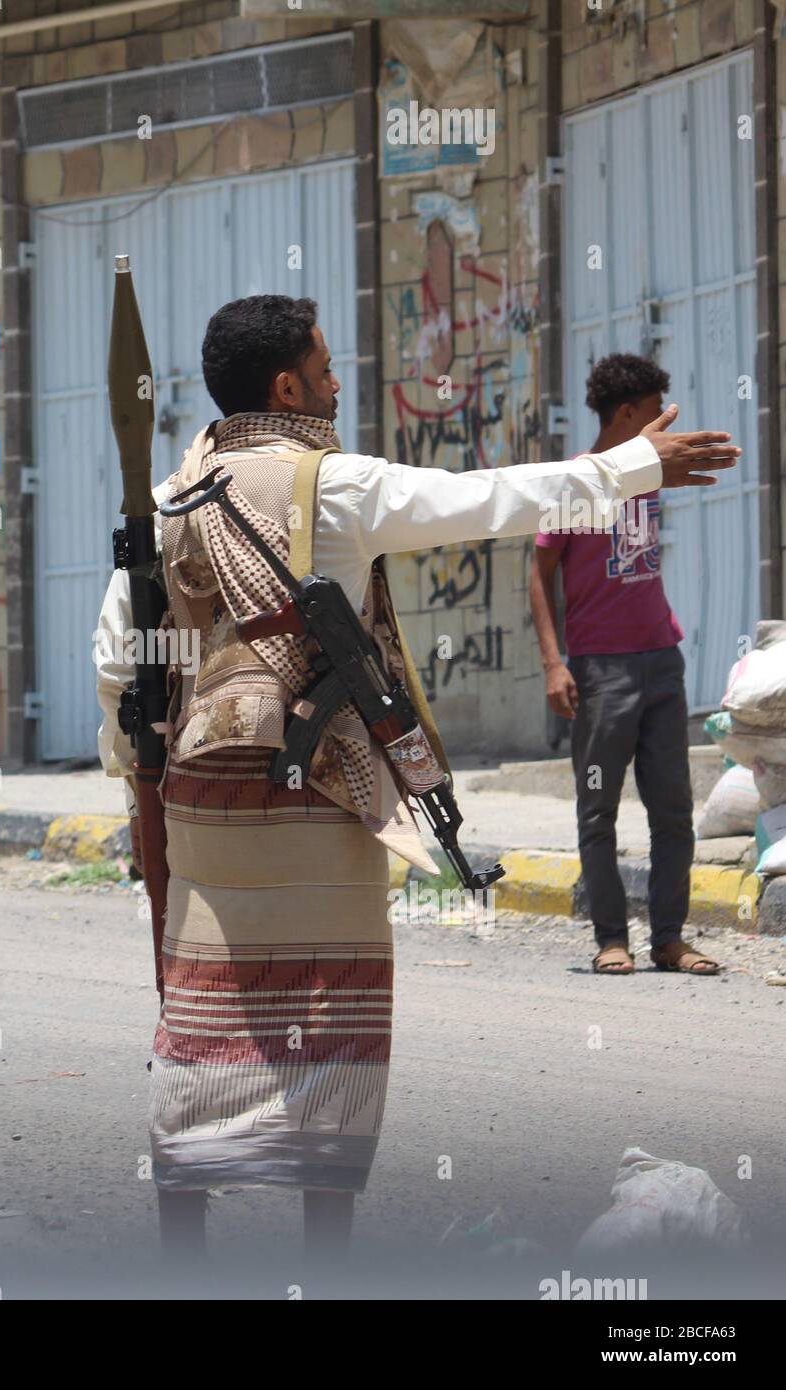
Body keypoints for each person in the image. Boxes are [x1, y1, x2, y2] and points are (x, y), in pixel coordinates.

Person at [94, 297, 737, 1268]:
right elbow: (485, 501)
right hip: (316, 806)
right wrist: (638, 465)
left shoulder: (173, 494)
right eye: (324, 365)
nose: (339, 381)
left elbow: (118, 661)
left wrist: (142, 794)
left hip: (199, 813)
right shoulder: (332, 486)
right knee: (329, 1039)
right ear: (287, 387)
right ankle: (325, 1265)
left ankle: (185, 1260)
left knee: (200, 1032)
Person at [529, 353, 721, 978]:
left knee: (673, 812)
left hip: (661, 661)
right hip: (600, 671)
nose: (664, 428)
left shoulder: (652, 474)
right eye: (657, 413)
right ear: (630, 414)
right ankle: (612, 938)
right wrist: (554, 663)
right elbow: (539, 572)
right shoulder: (577, 480)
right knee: (597, 808)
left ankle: (669, 938)